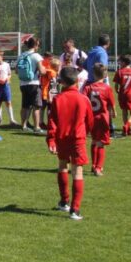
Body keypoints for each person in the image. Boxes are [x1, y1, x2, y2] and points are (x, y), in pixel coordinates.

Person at [46, 66, 94, 221]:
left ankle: (64, 201)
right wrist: (85, 133)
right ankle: (75, 209)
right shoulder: (83, 99)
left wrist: (51, 139)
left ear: (62, 81)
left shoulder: (58, 99)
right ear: (77, 80)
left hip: (62, 138)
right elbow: (90, 121)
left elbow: (52, 122)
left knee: (62, 166)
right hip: (77, 139)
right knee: (77, 171)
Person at [82, 63, 116, 176]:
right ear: (105, 75)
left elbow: (83, 101)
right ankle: (98, 168)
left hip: (91, 119)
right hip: (102, 119)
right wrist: (114, 112)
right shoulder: (107, 88)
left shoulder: (88, 87)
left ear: (93, 74)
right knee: (101, 143)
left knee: (93, 141)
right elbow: (111, 103)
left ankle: (93, 165)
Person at [113, 55, 131, 136]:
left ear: (124, 63)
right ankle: (127, 126)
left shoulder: (119, 72)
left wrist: (117, 90)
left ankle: (126, 130)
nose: (119, 63)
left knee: (124, 111)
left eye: (120, 62)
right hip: (130, 94)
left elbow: (116, 86)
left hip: (122, 94)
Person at [0, 51, 17, 126]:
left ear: (1, 57)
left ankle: (12, 120)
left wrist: (8, 79)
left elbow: (9, 74)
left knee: (8, 102)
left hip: (5, 85)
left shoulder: (6, 65)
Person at [38, 57, 60, 131]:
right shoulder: (52, 73)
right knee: (49, 108)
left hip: (48, 92)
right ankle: (47, 123)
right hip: (49, 93)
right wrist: (50, 96)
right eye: (58, 66)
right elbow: (51, 85)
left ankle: (42, 122)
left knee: (45, 108)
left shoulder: (51, 71)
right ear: (56, 66)